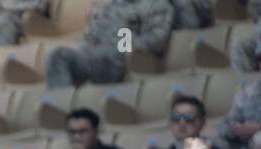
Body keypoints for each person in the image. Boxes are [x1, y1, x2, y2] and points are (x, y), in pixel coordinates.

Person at [45, 0, 174, 88]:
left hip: (128, 59)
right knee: (57, 55)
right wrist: (87, 47)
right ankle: (64, 107)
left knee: (103, 54)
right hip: (95, 55)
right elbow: (91, 36)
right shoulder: (112, 4)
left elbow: (157, 40)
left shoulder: (158, 4)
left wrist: (125, 45)